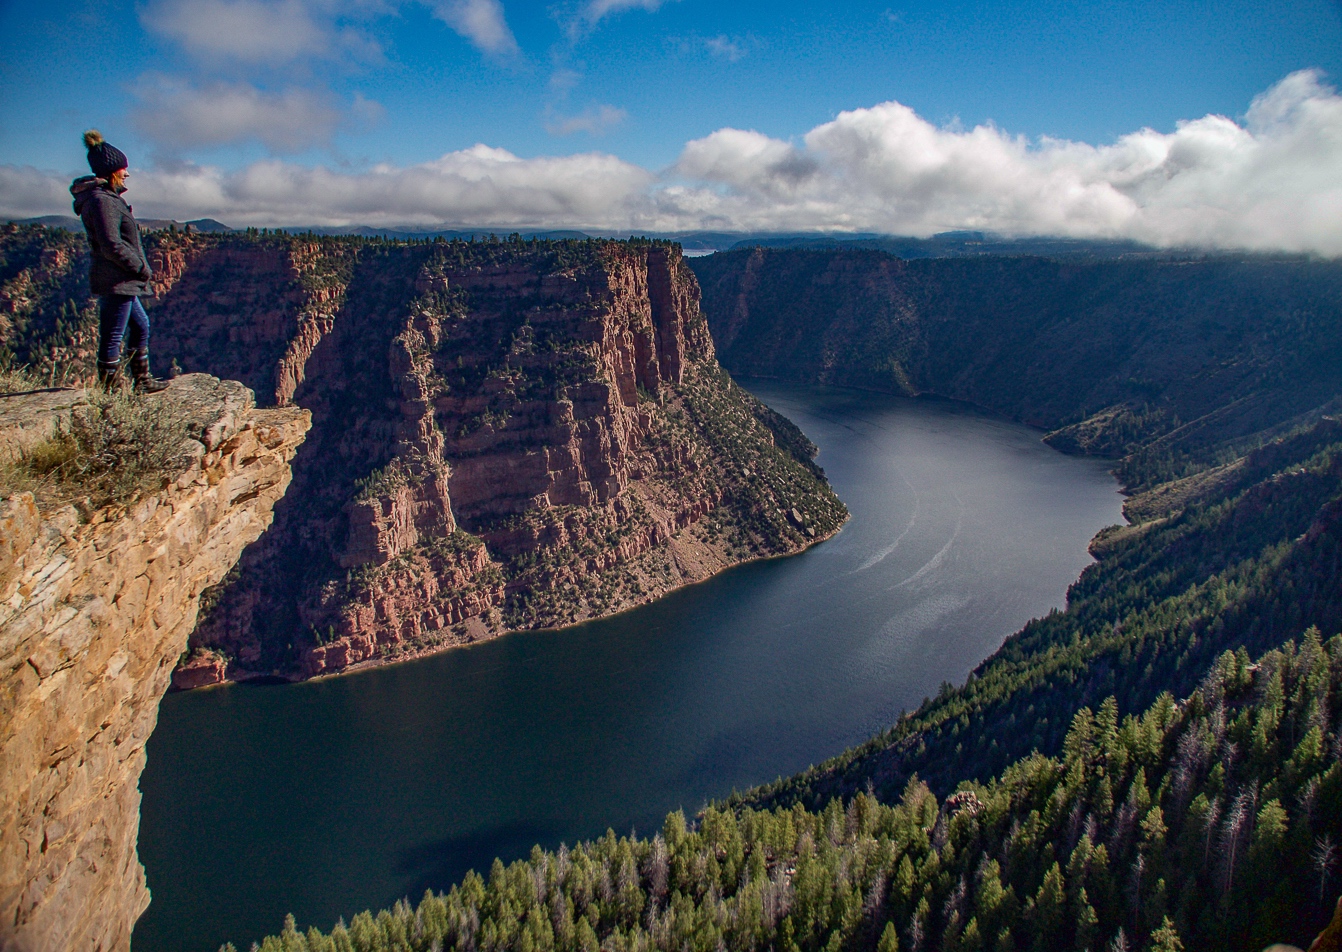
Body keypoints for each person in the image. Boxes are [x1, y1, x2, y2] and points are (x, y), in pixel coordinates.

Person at [70, 130, 168, 393]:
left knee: (141, 325)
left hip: (120, 278)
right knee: (113, 335)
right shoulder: (103, 202)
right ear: (112, 171)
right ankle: (111, 393)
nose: (127, 174)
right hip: (117, 278)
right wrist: (140, 267)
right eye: (124, 169)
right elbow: (111, 244)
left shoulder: (106, 199)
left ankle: (142, 381)